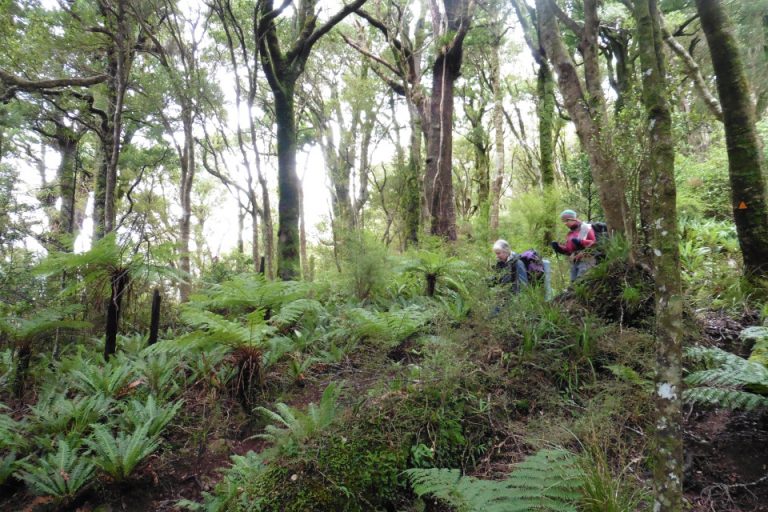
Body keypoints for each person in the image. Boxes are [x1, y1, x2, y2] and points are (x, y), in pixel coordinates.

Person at [550, 209, 596, 282]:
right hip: (575, 262)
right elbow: (569, 251)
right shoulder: (570, 233)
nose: (565, 223)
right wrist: (559, 248)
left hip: (586, 260)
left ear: (573, 219)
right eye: (563, 221)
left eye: (566, 220)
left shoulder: (586, 228)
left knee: (582, 282)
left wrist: (581, 242)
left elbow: (593, 243)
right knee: (573, 284)